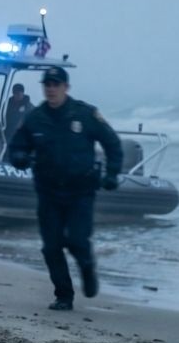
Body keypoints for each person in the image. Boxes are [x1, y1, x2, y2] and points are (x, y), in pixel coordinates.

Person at [8, 66, 122, 311]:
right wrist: (19, 157)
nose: (51, 89)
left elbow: (111, 142)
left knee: (78, 241)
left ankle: (87, 268)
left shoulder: (85, 114)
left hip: (80, 191)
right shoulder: (35, 118)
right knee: (51, 247)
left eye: (55, 84)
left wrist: (112, 173)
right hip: (48, 191)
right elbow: (17, 146)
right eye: (47, 84)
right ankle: (64, 295)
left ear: (65, 87)